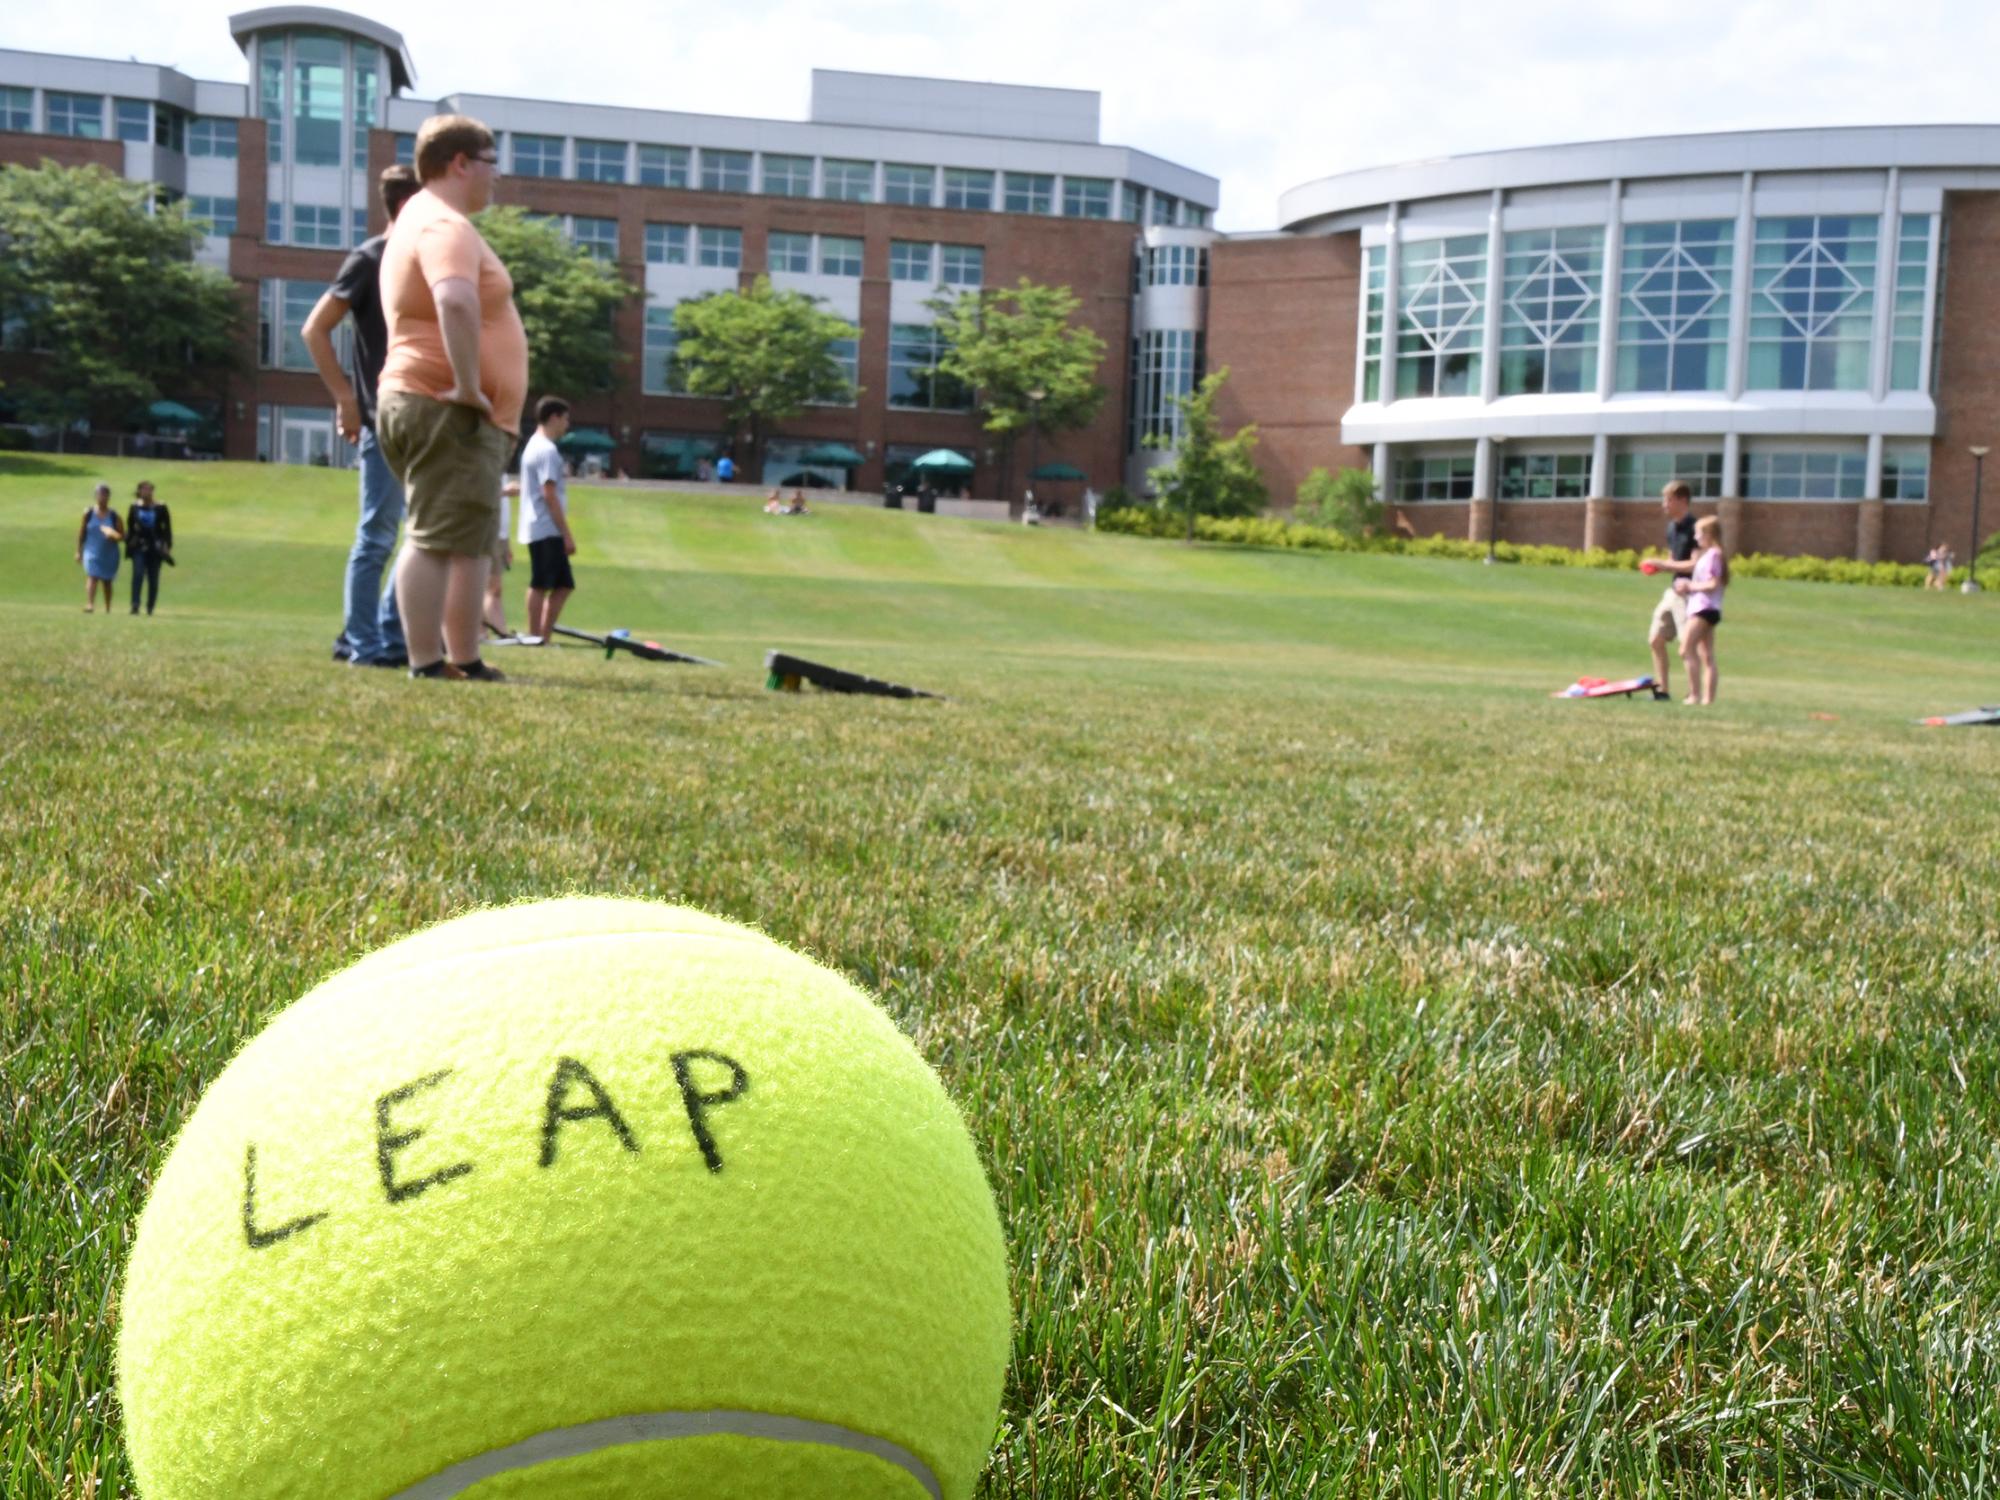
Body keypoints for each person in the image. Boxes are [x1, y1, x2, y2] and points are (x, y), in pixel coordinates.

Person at [376, 115, 525, 682]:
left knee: (464, 539)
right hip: (444, 403)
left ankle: (463, 658)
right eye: (491, 163)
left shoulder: (417, 218)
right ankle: (428, 662)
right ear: (460, 163)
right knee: (436, 536)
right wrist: (467, 386)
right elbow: (457, 302)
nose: (497, 177)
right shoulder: (444, 224)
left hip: (428, 399)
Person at [304, 164, 422, 669]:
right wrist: (345, 399)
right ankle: (362, 645)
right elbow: (315, 329)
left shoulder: (420, 260)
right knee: (377, 534)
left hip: (420, 418)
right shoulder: (370, 257)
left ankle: (392, 639)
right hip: (380, 421)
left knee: (421, 535)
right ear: (406, 205)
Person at [518, 395, 576, 641]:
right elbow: (549, 493)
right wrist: (566, 533)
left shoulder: (534, 445)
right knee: (541, 583)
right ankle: (535, 636)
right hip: (546, 526)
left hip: (540, 525)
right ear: (553, 417)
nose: (567, 425)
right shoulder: (546, 450)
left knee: (563, 584)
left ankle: (543, 635)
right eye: (565, 419)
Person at [1637, 480, 1699, 701]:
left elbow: (1694, 564)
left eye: (1668, 499)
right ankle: (1662, 691)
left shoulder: (1696, 528)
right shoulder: (1672, 527)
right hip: (1673, 590)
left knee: (1687, 645)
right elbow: (1674, 560)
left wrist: (1663, 564)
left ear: (1682, 500)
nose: (1664, 504)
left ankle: (1695, 693)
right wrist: (1659, 567)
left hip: (1690, 593)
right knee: (1656, 639)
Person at [1674, 514, 1729, 705]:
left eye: (1699, 534)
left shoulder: (1714, 555)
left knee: (1685, 649)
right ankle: (1708, 700)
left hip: (1704, 609)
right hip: (1706, 608)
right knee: (1706, 655)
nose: (1696, 538)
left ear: (1709, 534)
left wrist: (1689, 586)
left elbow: (1713, 584)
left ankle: (1695, 695)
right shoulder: (1709, 555)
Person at [123, 479, 174, 615]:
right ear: (139, 491)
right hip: (139, 546)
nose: (147, 491)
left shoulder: (161, 507)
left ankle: (150, 606)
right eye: (144, 489)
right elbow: (130, 527)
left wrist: (167, 546)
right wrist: (128, 540)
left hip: (155, 547)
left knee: (153, 578)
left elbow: (167, 529)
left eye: (149, 489)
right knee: (138, 574)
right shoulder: (134, 507)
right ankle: (135, 604)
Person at [76, 483, 123, 613]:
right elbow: (81, 533)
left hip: (109, 553)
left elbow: (122, 535)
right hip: (91, 550)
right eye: (100, 494)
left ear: (109, 497)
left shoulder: (114, 515)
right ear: (95, 496)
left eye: (105, 495)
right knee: (92, 576)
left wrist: (113, 535)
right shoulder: (89, 513)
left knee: (107, 581)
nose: (102, 497)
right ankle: (90, 604)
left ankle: (108, 607)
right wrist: (78, 551)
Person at [485, 477, 516, 637]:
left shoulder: (499, 465)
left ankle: (489, 630)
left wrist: (507, 542)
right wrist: (505, 491)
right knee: (492, 587)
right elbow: (478, 492)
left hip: (499, 534)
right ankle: (499, 630)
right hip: (488, 531)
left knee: (493, 588)